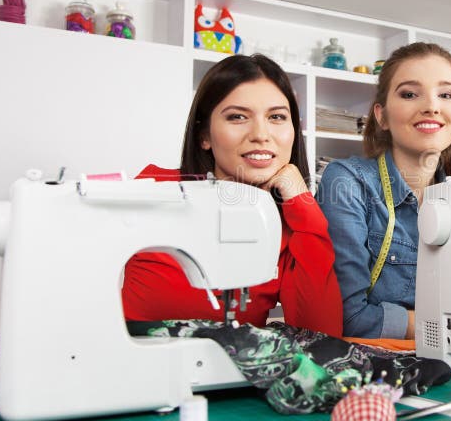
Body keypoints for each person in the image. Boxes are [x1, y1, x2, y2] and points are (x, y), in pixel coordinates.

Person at [121, 54, 343, 337]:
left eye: (276, 117)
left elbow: (320, 337)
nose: (261, 134)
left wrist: (303, 205)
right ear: (204, 135)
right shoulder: (154, 189)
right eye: (237, 116)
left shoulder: (290, 224)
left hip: (232, 364)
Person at [316, 42, 451, 339]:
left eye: (446, 95)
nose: (431, 107)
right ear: (381, 116)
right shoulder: (349, 183)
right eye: (410, 94)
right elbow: (348, 317)